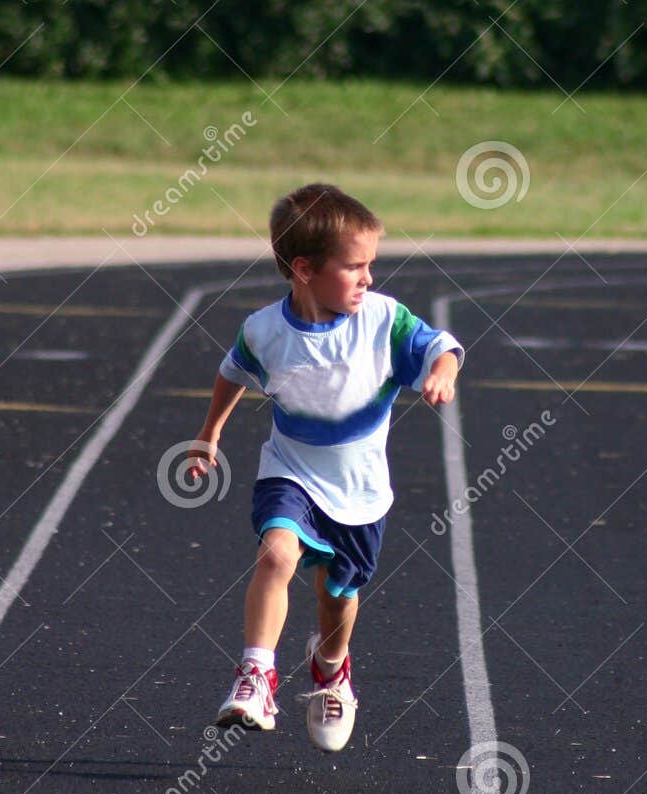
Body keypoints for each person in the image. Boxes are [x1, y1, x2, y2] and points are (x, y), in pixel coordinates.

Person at [187, 182, 464, 752]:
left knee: (337, 595)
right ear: (304, 269)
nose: (368, 278)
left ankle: (332, 669)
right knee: (275, 554)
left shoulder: (383, 320)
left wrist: (442, 372)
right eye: (354, 267)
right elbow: (232, 372)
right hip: (290, 470)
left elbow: (441, 346)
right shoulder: (264, 330)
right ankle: (256, 675)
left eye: (371, 265)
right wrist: (209, 433)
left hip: (360, 490)